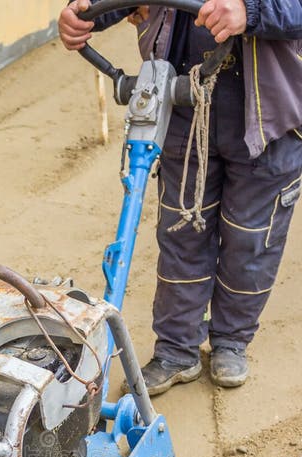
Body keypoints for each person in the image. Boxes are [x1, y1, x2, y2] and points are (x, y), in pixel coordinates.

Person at [59, 0, 302, 394]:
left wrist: (250, 12)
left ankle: (231, 340)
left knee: (252, 239)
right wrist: (83, 12)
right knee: (181, 233)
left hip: (270, 115)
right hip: (182, 101)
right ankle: (176, 350)